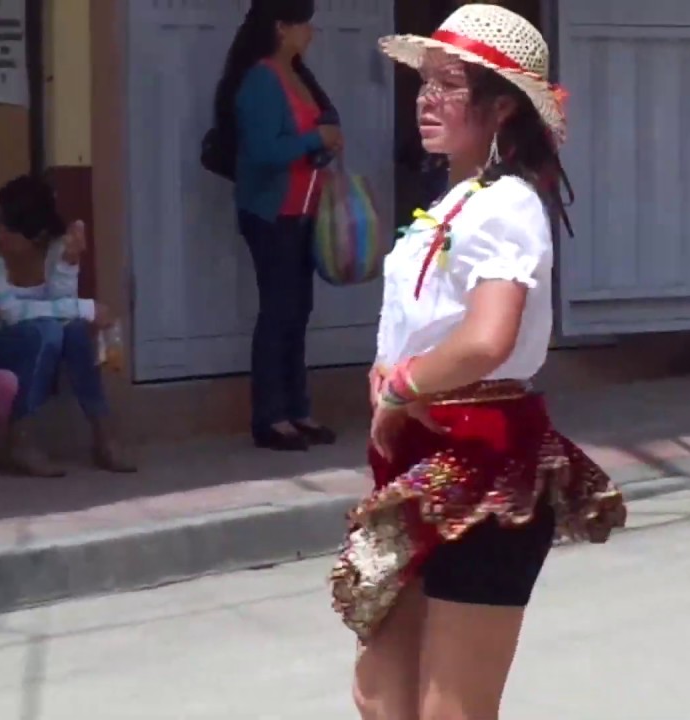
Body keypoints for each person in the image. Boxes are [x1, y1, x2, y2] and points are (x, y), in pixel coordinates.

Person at [327, 6, 627, 718]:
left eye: (449, 84)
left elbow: (490, 339)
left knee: (452, 709)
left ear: (499, 108)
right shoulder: (462, 201)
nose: (426, 98)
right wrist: (391, 370)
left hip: (487, 464)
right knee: (380, 694)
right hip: (423, 460)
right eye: (425, 82)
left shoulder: (509, 206)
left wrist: (402, 383)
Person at [211, 0, 342, 451]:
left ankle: (297, 409)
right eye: (304, 25)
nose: (311, 33)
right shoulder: (260, 81)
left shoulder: (299, 76)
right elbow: (265, 151)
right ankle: (270, 417)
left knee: (298, 311)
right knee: (278, 312)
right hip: (271, 213)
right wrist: (314, 140)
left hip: (304, 209)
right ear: (282, 28)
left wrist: (325, 141)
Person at [0, 175, 134, 476]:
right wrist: (87, 307)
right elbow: (12, 313)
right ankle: (20, 439)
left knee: (75, 329)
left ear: (36, 237)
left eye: (7, 228)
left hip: (31, 337)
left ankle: (103, 434)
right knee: (49, 329)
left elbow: (61, 305)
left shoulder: (52, 247)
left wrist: (69, 261)